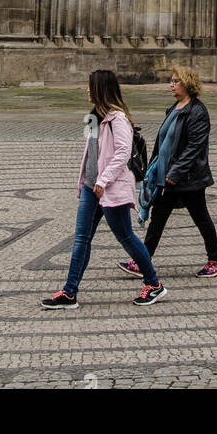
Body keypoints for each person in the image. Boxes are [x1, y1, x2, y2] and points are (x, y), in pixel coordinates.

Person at [41, 68, 167, 308]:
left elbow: (122, 152)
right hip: (92, 188)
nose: (87, 90)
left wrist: (103, 180)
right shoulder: (94, 117)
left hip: (109, 188)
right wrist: (85, 182)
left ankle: (154, 284)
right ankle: (69, 292)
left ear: (100, 89)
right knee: (81, 239)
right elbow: (91, 154)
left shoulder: (118, 118)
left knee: (126, 237)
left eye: (90, 86)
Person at [119, 66, 217, 278]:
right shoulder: (175, 108)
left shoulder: (197, 112)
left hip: (187, 178)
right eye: (172, 81)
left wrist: (175, 173)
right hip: (169, 174)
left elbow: (194, 147)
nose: (171, 84)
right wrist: (155, 168)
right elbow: (164, 143)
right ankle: (143, 260)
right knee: (159, 216)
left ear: (187, 84)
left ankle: (216, 260)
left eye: (176, 81)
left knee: (200, 217)